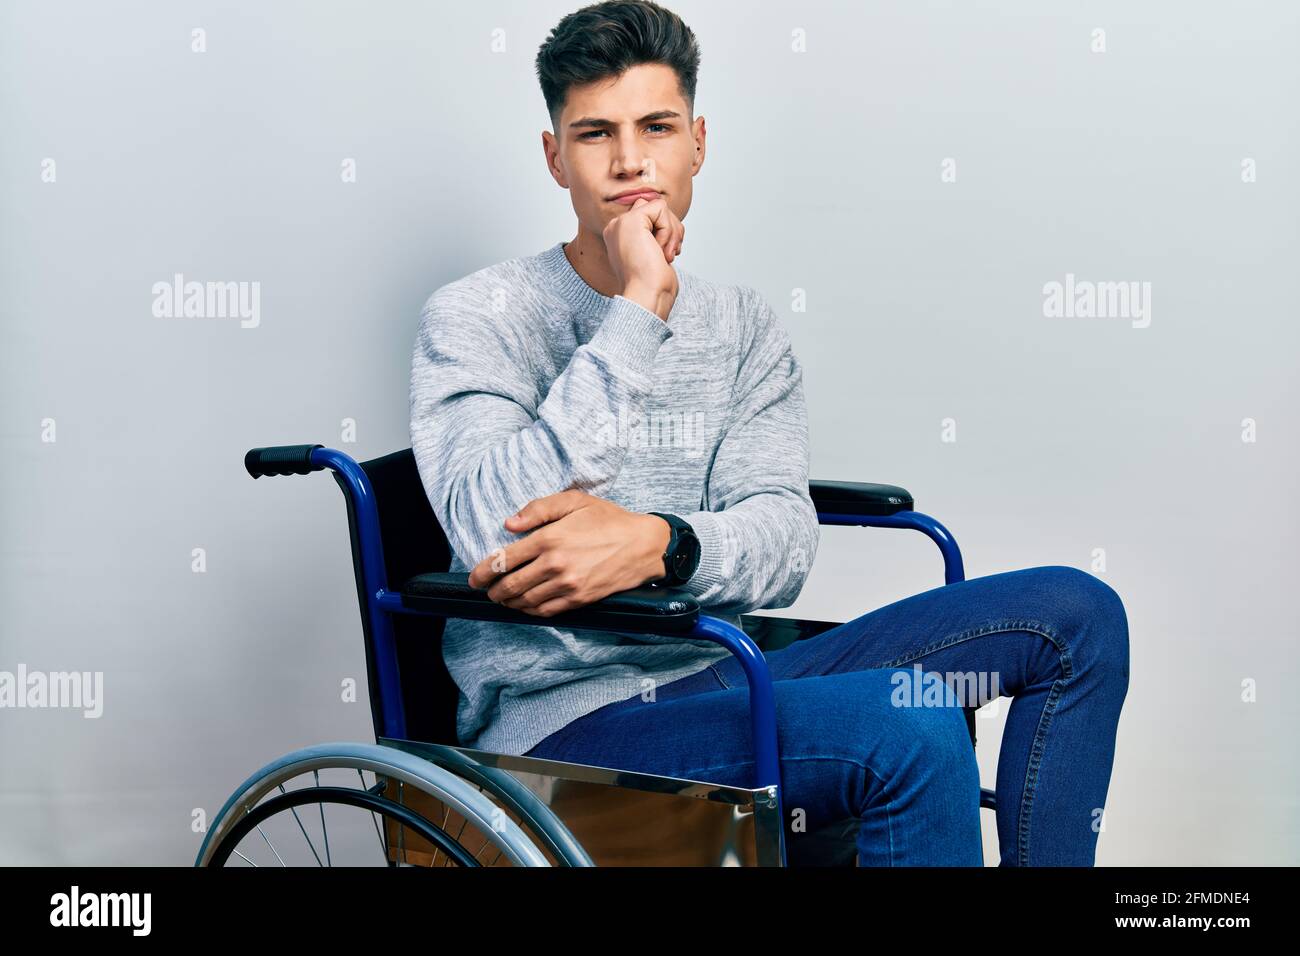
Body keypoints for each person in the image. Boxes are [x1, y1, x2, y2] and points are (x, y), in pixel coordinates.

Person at [408, 0, 1128, 866]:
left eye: (658, 126)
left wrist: (660, 545)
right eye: (596, 133)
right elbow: (494, 527)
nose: (632, 161)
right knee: (908, 719)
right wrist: (637, 310)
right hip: (569, 725)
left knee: (1076, 616)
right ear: (555, 156)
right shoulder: (478, 315)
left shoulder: (742, 326)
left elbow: (783, 541)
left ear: (698, 143)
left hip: (724, 672)